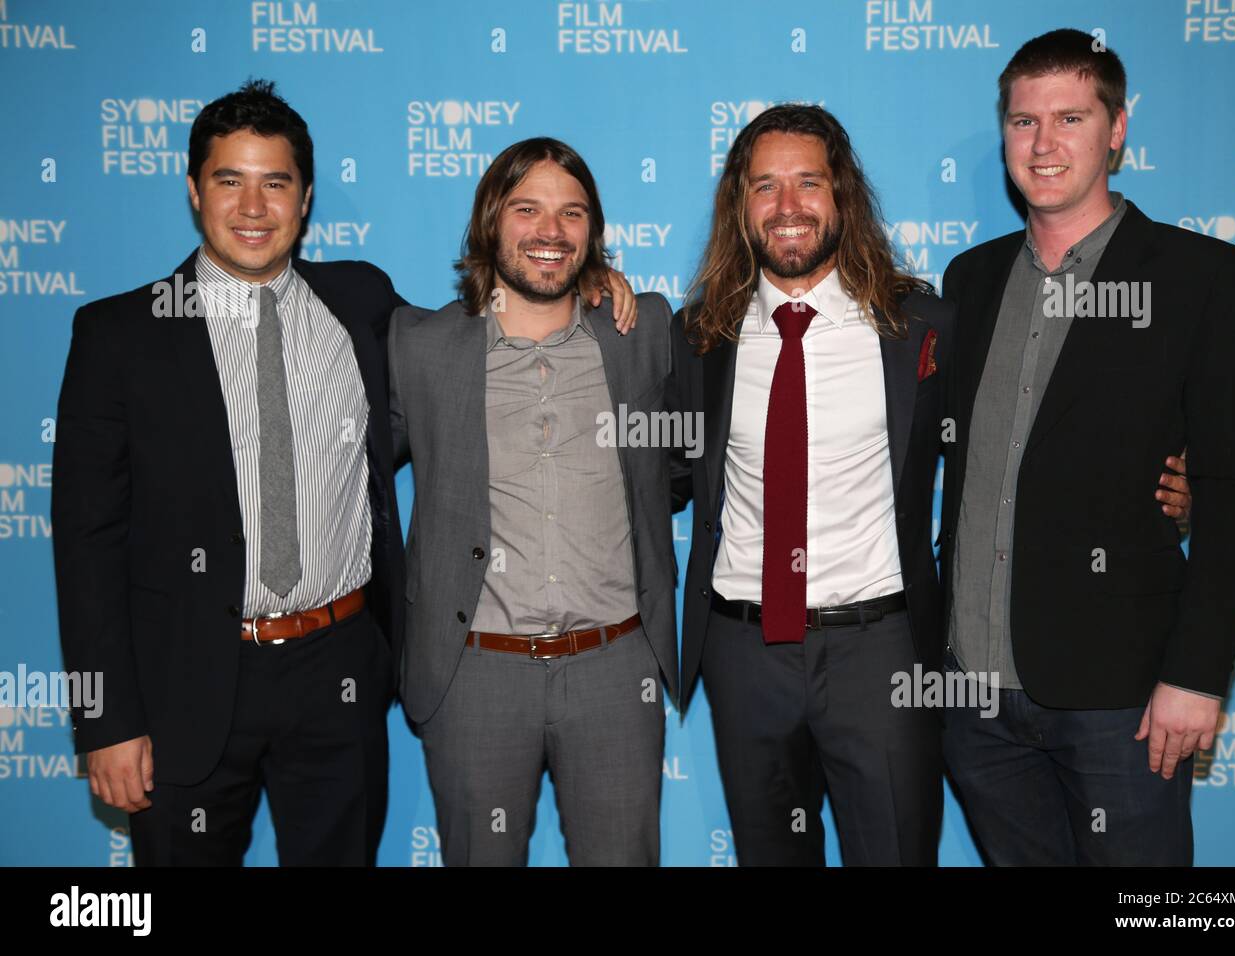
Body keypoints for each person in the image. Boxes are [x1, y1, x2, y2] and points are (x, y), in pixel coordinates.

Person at [52, 79, 405, 865]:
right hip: (182, 679)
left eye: (275, 182)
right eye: (229, 180)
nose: (253, 206)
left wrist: (590, 287)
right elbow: (86, 545)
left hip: (339, 669)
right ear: (193, 190)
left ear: (305, 198)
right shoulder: (118, 335)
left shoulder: (361, 302)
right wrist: (104, 719)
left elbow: (484, 342)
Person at [939, 29, 1235, 866]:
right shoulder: (969, 281)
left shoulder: (1204, 280)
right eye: (1023, 122)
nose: (1044, 144)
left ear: (1117, 130)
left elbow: (1231, 493)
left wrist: (1196, 678)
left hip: (1125, 699)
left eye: (1071, 117)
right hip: (974, 689)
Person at [669, 105, 954, 865]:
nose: (788, 207)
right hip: (744, 650)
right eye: (765, 187)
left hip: (881, 652)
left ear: (842, 196)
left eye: (808, 184)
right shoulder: (699, 338)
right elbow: (655, 474)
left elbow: (1006, 450)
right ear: (740, 206)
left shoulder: (919, 326)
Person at [389, 137, 676, 866]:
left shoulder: (642, 332)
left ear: (593, 232)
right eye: (528, 209)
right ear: (492, 219)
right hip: (476, 673)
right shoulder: (421, 347)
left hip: (615, 669)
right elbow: (347, 468)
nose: (551, 231)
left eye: (571, 213)